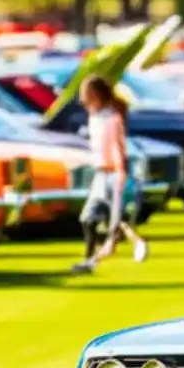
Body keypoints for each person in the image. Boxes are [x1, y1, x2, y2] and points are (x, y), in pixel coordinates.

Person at [72, 76, 149, 274]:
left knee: (114, 224)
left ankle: (92, 260)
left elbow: (117, 146)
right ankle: (92, 257)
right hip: (100, 173)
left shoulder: (112, 118)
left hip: (113, 173)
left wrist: (121, 170)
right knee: (88, 219)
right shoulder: (94, 117)